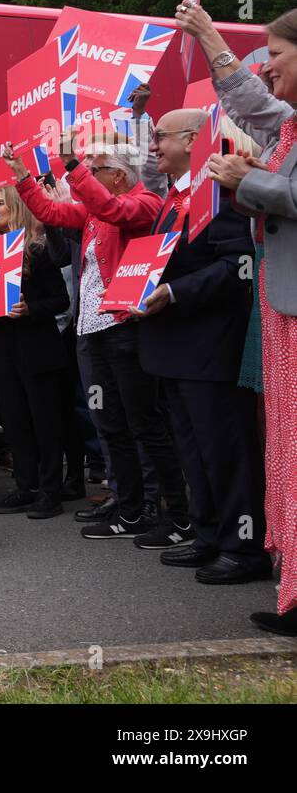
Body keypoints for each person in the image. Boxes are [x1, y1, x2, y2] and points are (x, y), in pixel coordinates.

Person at [178, 0, 297, 634]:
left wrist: (243, 181)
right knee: (285, 448)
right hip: (282, 312)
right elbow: (252, 102)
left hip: (293, 313)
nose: (267, 67)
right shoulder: (291, 126)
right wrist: (207, 37)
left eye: (276, 55)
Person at [10, 141, 189, 542]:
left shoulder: (143, 202)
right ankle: (129, 512)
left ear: (119, 176)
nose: (87, 178)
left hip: (124, 328)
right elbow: (52, 212)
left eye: (97, 169)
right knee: (110, 425)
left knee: (143, 424)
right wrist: (23, 177)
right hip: (91, 332)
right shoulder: (95, 211)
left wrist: (73, 164)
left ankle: (175, 515)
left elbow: (114, 210)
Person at [126, 107, 267, 581]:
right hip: (173, 346)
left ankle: (243, 548)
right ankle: (208, 535)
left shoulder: (223, 192)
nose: (153, 146)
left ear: (192, 140)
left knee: (226, 451)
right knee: (194, 451)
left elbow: (237, 266)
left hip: (211, 347)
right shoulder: (175, 196)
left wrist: (174, 292)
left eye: (160, 137)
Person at [0, 185, 70, 518]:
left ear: (16, 207)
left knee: (44, 421)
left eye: (0, 202)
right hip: (3, 350)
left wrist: (30, 308)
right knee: (16, 421)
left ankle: (51, 491)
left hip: (37, 348)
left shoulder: (38, 249)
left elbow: (61, 300)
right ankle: (25, 487)